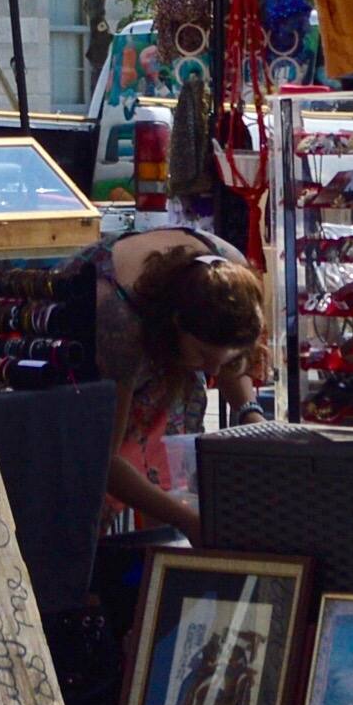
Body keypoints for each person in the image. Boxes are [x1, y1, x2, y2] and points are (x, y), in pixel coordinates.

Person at [83, 220, 269, 528]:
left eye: (224, 361)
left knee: (173, 471)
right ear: (176, 324)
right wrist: (190, 523)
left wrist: (251, 415)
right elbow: (105, 460)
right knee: (98, 510)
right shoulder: (118, 319)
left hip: (155, 350)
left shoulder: (231, 273)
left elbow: (226, 354)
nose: (212, 372)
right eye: (202, 355)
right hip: (86, 366)